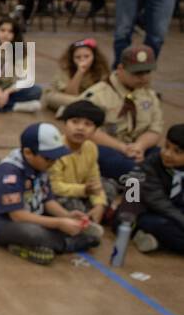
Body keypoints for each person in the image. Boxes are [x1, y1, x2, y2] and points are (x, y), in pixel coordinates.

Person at [0, 122, 101, 264]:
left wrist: (66, 215)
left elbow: (47, 199)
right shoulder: (10, 173)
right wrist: (58, 223)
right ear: (28, 153)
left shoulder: (41, 167)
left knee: (67, 214)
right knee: (32, 233)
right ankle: (65, 244)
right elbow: (17, 215)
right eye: (48, 157)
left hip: (30, 212)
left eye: (56, 157)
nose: (53, 161)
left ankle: (53, 239)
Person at [79, 44, 164, 179]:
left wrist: (139, 146)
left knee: (170, 161)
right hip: (107, 148)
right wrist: (123, 148)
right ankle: (133, 197)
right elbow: (87, 130)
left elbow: (155, 128)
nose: (143, 78)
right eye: (137, 73)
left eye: (147, 72)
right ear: (120, 69)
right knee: (133, 170)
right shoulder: (98, 95)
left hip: (137, 148)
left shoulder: (149, 95)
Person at [48, 100, 110, 225]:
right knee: (72, 205)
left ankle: (96, 215)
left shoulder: (91, 147)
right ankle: (91, 220)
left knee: (108, 187)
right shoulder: (55, 149)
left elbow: (94, 179)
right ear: (65, 124)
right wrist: (84, 190)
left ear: (95, 130)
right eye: (75, 122)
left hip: (81, 190)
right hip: (59, 195)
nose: (80, 128)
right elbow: (54, 186)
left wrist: (99, 204)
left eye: (88, 124)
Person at [131, 123, 184, 254]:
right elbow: (158, 202)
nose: (167, 154)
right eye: (166, 147)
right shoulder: (151, 165)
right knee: (162, 226)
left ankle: (156, 241)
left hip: (175, 213)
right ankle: (141, 234)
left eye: (177, 151)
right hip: (148, 212)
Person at [43, 37, 109, 113]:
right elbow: (70, 94)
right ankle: (85, 109)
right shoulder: (66, 69)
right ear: (72, 59)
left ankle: (72, 110)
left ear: (94, 56)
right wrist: (80, 72)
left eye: (87, 56)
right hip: (64, 97)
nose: (82, 60)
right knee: (51, 98)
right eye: (78, 57)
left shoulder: (101, 69)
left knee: (100, 102)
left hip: (87, 99)